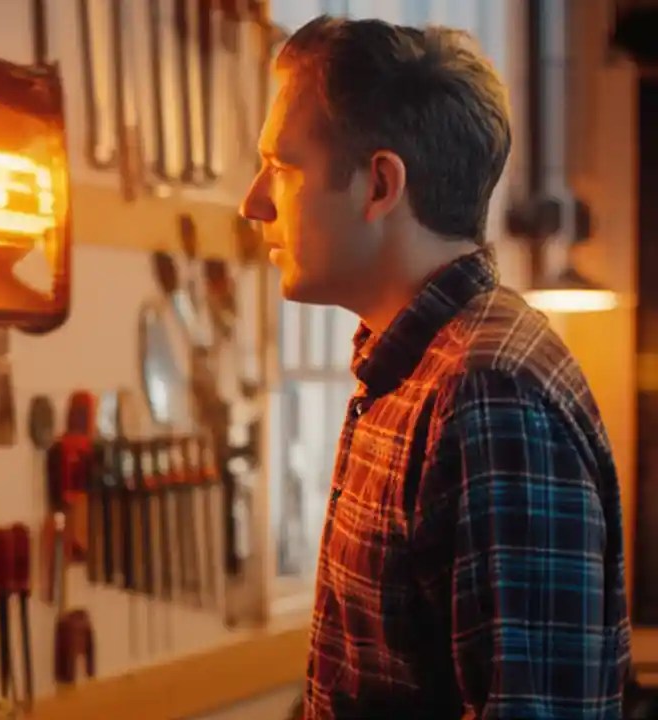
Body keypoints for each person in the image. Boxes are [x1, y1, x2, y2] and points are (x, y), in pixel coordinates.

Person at [239, 15, 632, 719]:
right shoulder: (408, 370)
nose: (254, 202)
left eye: (283, 166)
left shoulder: (487, 395)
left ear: (380, 186)